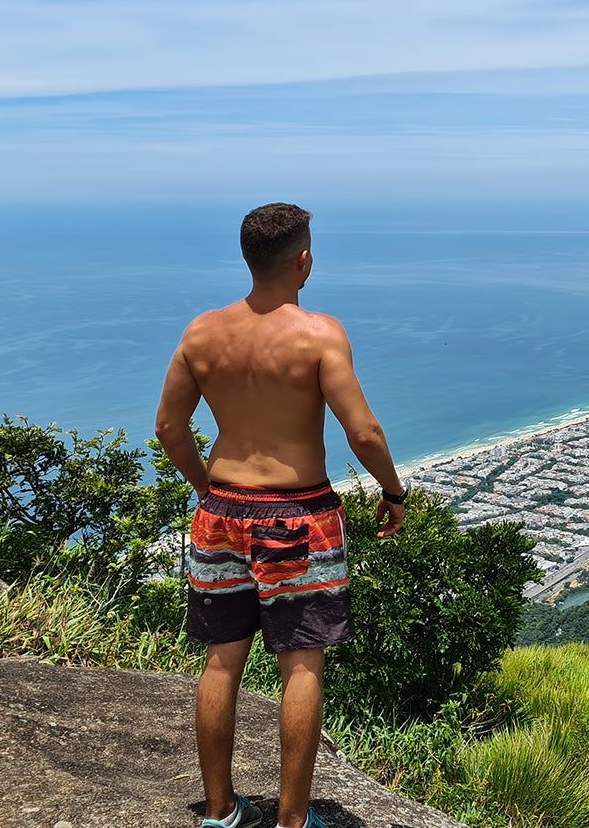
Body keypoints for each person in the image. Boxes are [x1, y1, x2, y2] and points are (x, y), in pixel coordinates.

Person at [155, 202, 409, 828]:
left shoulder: (201, 333)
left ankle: (220, 811)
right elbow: (364, 431)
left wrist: (207, 489)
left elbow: (169, 428)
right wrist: (393, 490)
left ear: (248, 258)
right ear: (304, 260)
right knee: (301, 664)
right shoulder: (319, 334)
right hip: (298, 515)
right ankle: (292, 820)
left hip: (221, 510)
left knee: (222, 660)